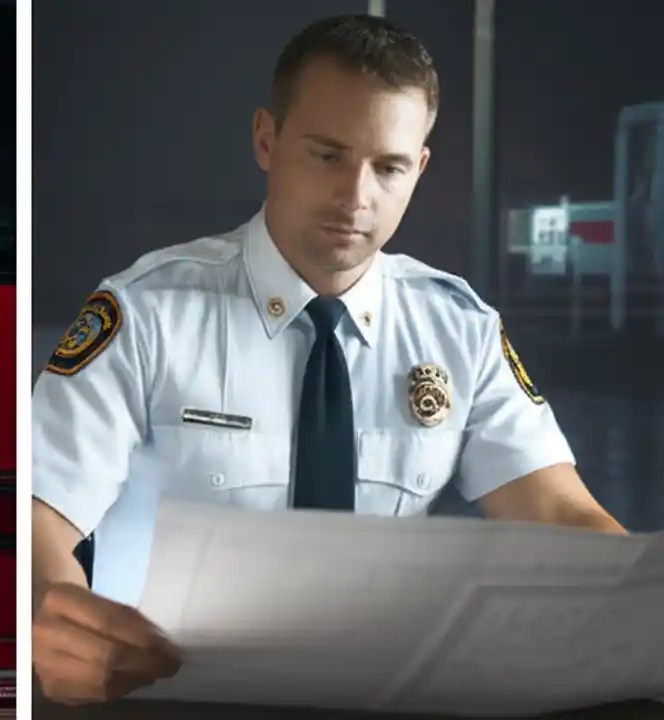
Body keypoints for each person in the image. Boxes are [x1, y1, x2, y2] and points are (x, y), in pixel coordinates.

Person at [31, 13, 628, 706]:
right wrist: (53, 615)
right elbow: (41, 512)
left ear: (419, 168)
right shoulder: (146, 313)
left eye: (389, 167)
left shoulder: (457, 329)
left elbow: (560, 511)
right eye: (328, 155)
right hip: (173, 698)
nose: (356, 197)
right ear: (266, 138)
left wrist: (638, 607)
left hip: (385, 695)